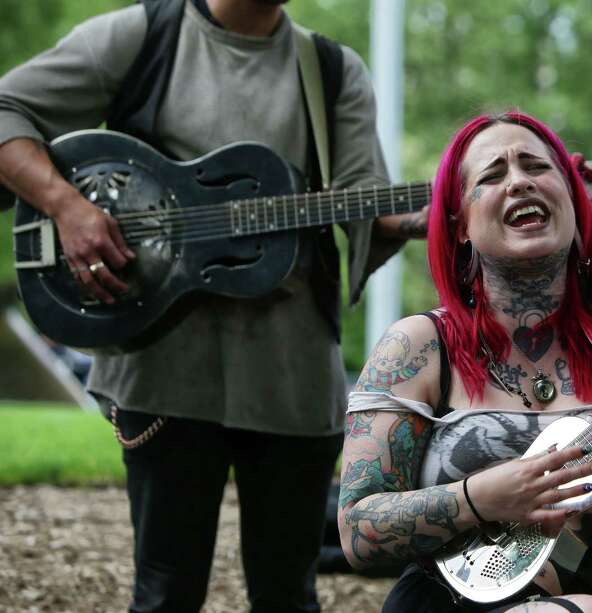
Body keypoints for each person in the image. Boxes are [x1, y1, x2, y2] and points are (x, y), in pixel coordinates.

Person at [0, 1, 426, 611]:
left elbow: (366, 204)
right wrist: (67, 206)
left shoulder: (331, 68)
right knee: (165, 593)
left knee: (289, 595)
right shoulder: (143, 34)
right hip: (162, 365)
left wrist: (433, 211)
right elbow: (6, 109)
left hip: (291, 370)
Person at [336, 111, 592, 612]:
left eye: (536, 167)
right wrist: (481, 497)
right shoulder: (417, 345)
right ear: (460, 224)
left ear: (572, 199)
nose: (520, 181)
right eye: (492, 175)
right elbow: (358, 530)